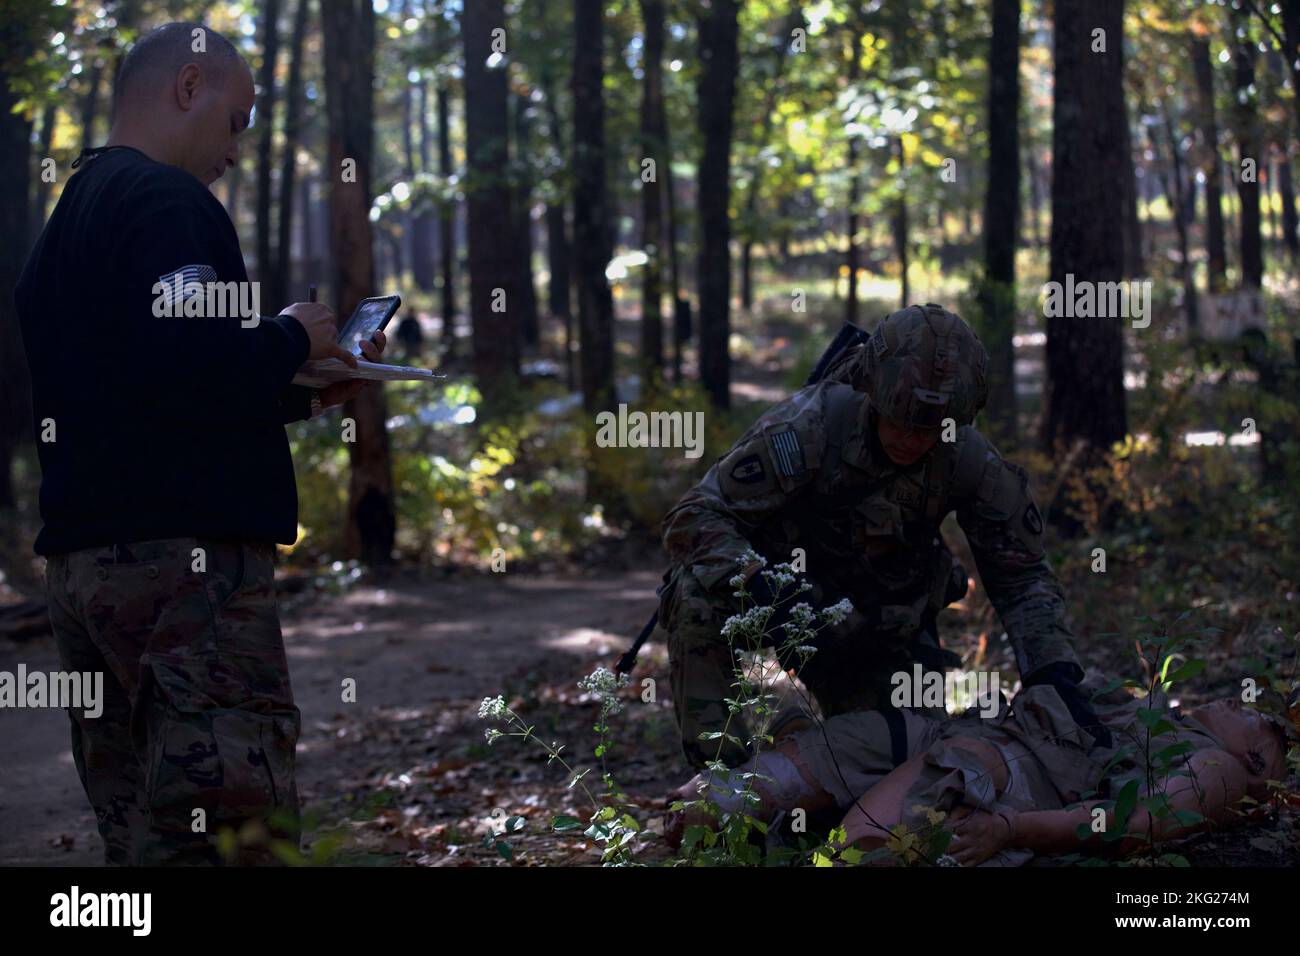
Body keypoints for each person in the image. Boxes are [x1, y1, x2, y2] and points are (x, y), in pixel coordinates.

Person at [16, 22, 386, 865]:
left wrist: (292, 394)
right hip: (182, 575)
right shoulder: (168, 202)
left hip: (85, 570)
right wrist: (291, 336)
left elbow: (141, 385)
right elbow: (191, 358)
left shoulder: (66, 220)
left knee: (141, 836)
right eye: (239, 118)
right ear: (189, 86)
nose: (238, 147)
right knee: (229, 832)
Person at [660, 303, 1097, 771]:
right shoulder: (810, 427)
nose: (912, 438)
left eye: (927, 427)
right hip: (785, 604)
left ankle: (794, 750)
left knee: (908, 769)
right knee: (694, 599)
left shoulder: (965, 459)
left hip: (879, 631)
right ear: (871, 391)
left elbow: (1021, 575)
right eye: (900, 419)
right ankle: (721, 793)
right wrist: (761, 582)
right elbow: (695, 515)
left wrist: (1054, 674)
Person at [665, 677, 1293, 866]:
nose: (1237, 703)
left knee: (847, 861)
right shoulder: (1158, 711)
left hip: (992, 768)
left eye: (1251, 714)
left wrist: (1013, 828)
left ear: (1258, 760)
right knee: (696, 806)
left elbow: (1135, 822)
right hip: (959, 730)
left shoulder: (1218, 768)